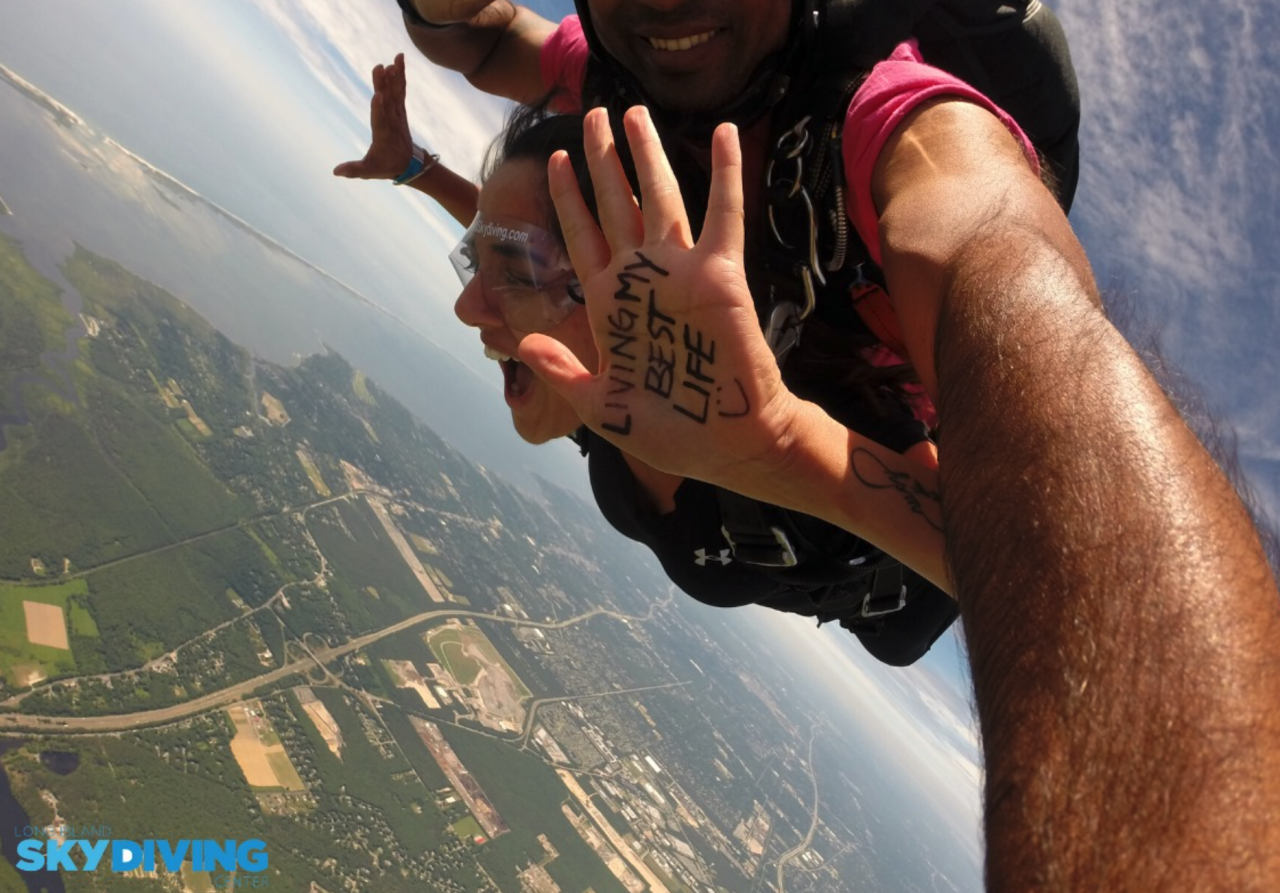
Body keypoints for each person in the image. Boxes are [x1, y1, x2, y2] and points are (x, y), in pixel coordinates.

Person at [387, 1, 1280, 888]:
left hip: (885, 569)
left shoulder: (909, 134)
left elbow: (997, 261)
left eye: (508, 269)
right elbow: (484, 40)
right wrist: (425, 152)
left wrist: (788, 446)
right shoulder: (628, 93)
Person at [337, 58, 961, 667]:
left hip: (911, 611)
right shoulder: (615, 400)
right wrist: (415, 169)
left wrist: (781, 445)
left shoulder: (814, 418)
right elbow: (529, 249)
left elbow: (1028, 576)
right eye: (477, 263)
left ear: (635, 290)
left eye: (511, 273)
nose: (466, 308)